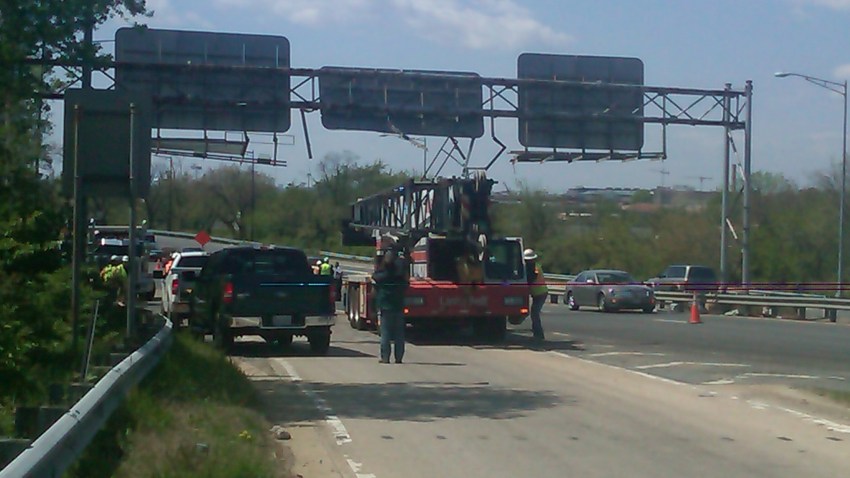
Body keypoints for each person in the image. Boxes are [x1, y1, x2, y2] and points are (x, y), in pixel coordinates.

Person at [372, 245, 409, 364]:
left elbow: (375, 278)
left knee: (385, 333)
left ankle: (385, 357)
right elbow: (406, 284)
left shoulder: (382, 277)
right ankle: (399, 358)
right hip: (398, 305)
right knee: (399, 334)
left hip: (385, 307)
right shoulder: (400, 278)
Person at [523, 248, 548, 341]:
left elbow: (533, 277)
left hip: (540, 293)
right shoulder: (535, 265)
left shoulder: (535, 267)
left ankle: (538, 335)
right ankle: (537, 334)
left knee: (534, 314)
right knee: (534, 313)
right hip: (538, 293)